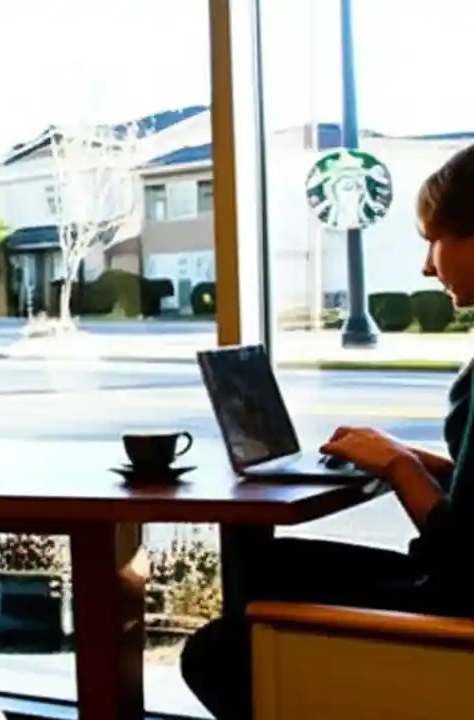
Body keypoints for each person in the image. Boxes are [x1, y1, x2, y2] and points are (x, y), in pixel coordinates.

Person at [180, 145, 474, 718]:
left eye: (432, 240)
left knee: (216, 651)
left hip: (458, 619)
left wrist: (398, 467)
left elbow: (465, 557)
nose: (426, 266)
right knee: (268, 567)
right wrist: (412, 458)